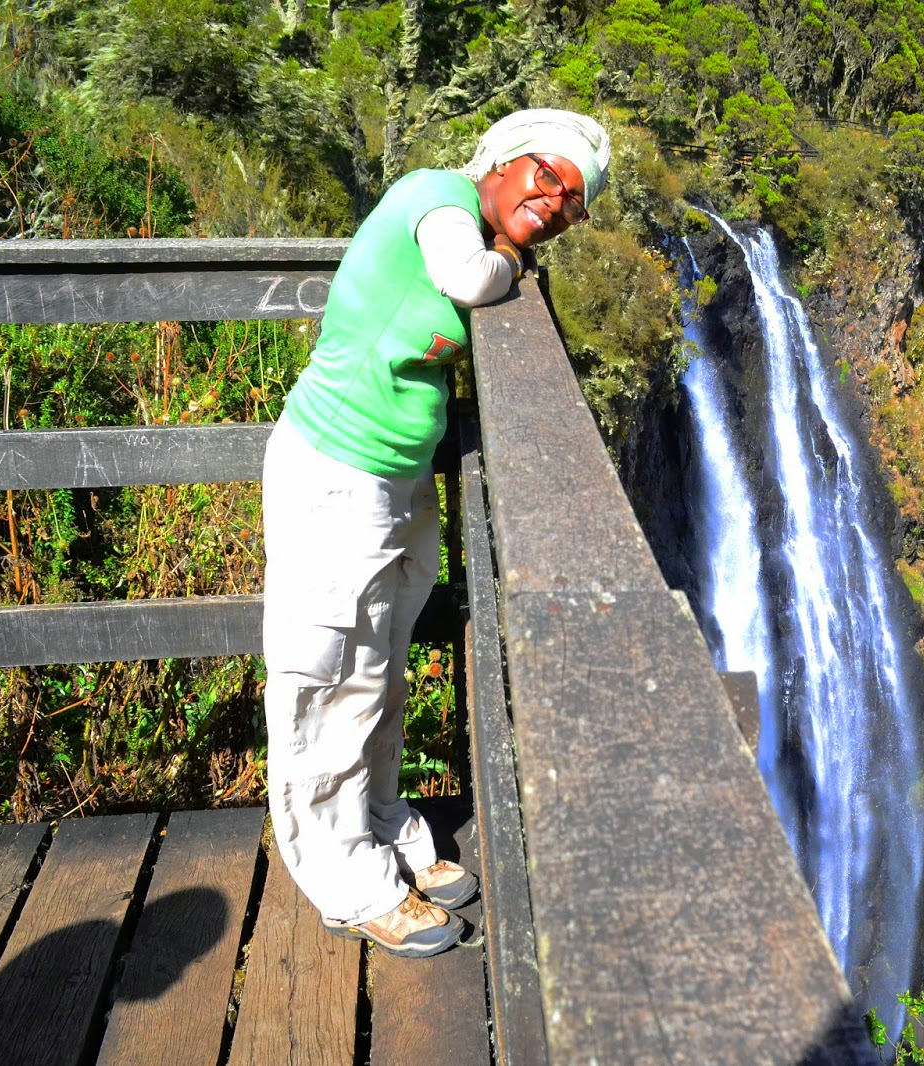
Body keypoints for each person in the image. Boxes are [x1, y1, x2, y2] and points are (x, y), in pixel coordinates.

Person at [260, 109, 611, 958]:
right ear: (499, 160)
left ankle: (381, 825)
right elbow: (467, 275)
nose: (556, 202)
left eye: (575, 202)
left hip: (392, 481)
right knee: (331, 679)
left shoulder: (472, 207)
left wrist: (515, 250)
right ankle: (348, 881)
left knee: (376, 670)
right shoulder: (438, 197)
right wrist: (513, 259)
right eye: (547, 176)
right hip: (336, 475)